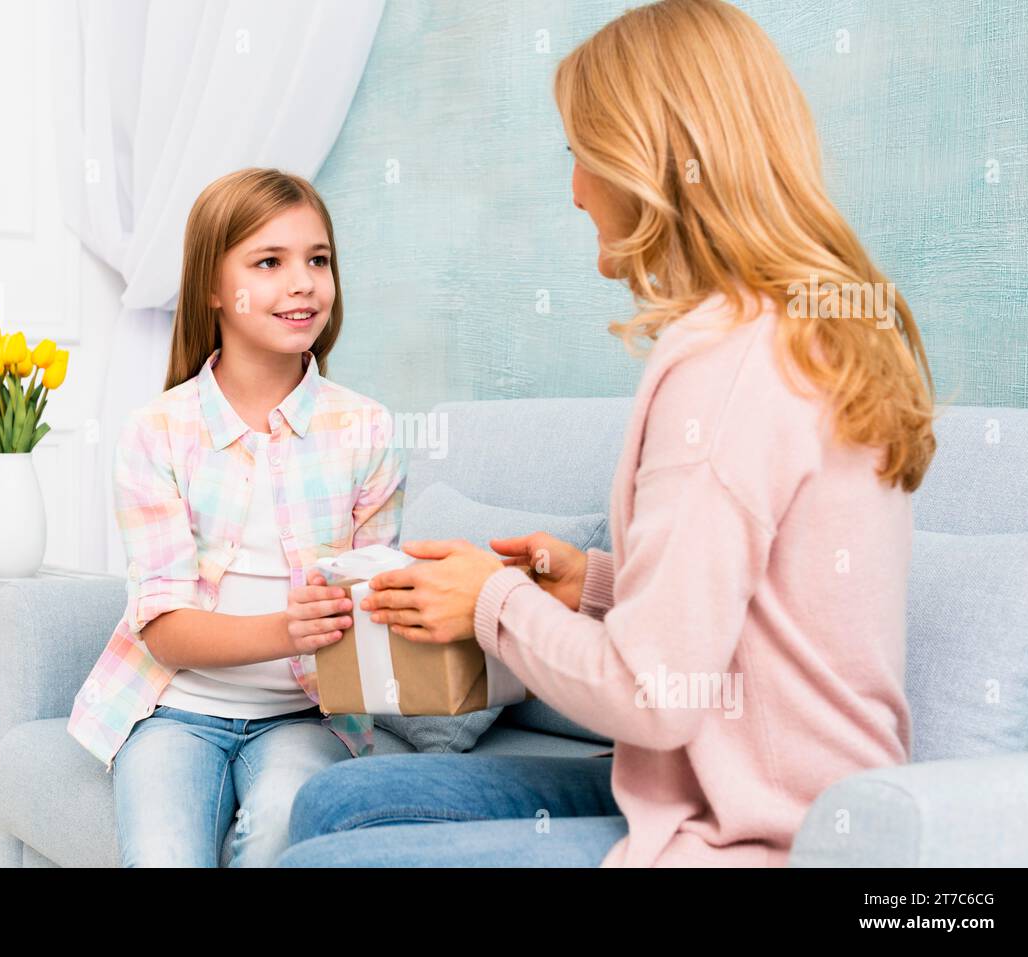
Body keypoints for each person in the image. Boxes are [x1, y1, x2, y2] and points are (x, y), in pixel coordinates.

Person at [278, 0, 938, 867]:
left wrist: (490, 601)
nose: (576, 187)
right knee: (341, 802)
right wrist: (588, 584)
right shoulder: (804, 333)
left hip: (760, 833)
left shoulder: (729, 365)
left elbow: (654, 692)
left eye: (581, 154)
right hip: (740, 785)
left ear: (647, 163)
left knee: (320, 861)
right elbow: (747, 602)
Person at [67, 168, 404, 866]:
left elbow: (375, 605)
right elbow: (163, 628)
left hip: (305, 717)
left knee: (284, 823)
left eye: (318, 259)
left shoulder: (364, 429)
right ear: (214, 288)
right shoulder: (158, 431)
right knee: (163, 854)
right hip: (173, 710)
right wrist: (288, 627)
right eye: (269, 262)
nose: (303, 282)